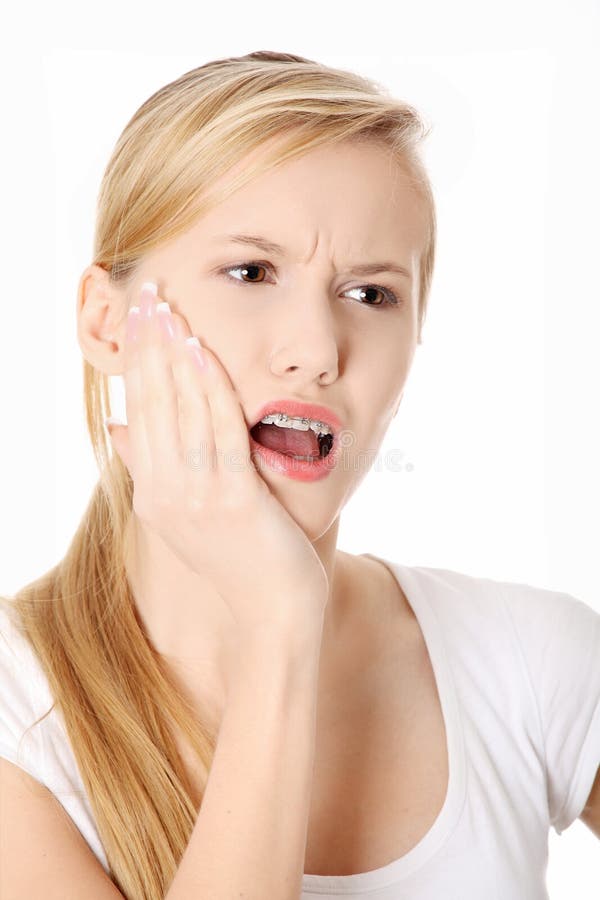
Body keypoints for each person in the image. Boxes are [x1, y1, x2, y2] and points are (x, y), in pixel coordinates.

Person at [0, 50, 598, 900]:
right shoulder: (18, 710)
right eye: (250, 273)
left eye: (371, 294)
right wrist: (281, 619)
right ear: (107, 323)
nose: (318, 353)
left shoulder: (530, 660)